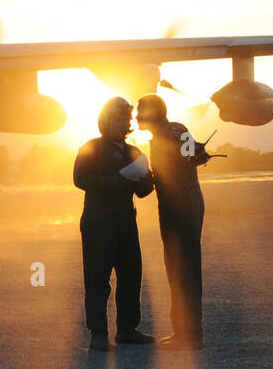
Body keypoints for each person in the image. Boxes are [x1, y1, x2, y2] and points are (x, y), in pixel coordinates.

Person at [74, 97, 155, 352]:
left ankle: (127, 330)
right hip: (98, 221)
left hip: (126, 221)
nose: (124, 123)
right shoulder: (91, 147)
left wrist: (148, 178)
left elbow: (143, 191)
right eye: (118, 119)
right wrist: (116, 181)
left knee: (131, 276)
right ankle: (98, 334)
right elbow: (80, 179)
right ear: (106, 121)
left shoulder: (134, 152)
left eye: (126, 119)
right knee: (97, 279)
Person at [136, 93, 209, 349]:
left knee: (184, 268)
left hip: (183, 208)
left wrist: (196, 152)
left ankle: (190, 335)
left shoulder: (174, 130)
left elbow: (190, 151)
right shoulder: (161, 136)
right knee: (176, 268)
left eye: (140, 111)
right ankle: (183, 332)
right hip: (173, 208)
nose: (136, 117)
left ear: (152, 113)